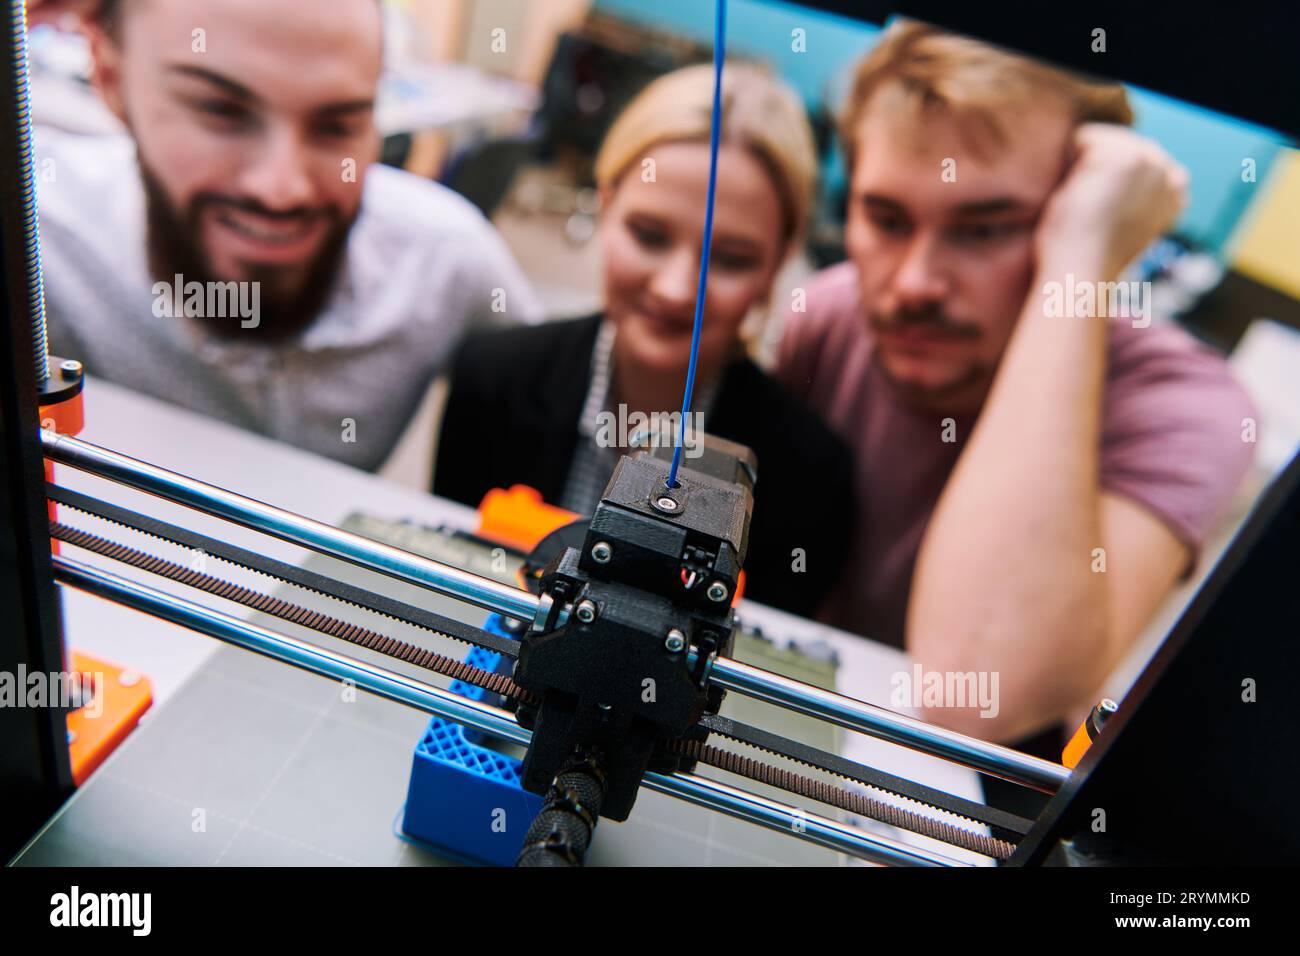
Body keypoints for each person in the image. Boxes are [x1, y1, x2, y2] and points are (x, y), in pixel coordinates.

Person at [777, 21, 1256, 756]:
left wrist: (1083, 260)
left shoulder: (1184, 408)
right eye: (886, 217)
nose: (913, 285)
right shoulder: (834, 315)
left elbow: (977, 690)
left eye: (986, 227)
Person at [28, 0, 541, 470]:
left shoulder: (444, 260)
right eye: (219, 111)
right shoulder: (36, 230)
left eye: (336, 126)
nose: (282, 190)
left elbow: (567, 395)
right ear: (111, 77)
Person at [433, 64, 854, 618]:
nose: (678, 290)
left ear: (776, 266)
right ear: (606, 209)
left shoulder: (809, 478)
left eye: (729, 259)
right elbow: (445, 590)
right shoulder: (493, 378)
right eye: (649, 236)